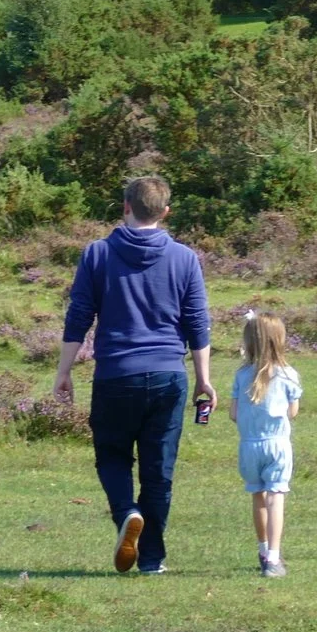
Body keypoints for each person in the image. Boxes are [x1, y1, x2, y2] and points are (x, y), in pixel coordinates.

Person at [53, 176, 213, 575]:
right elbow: (197, 322)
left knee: (112, 456)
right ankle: (152, 560)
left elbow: (79, 316)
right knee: (159, 471)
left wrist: (64, 371)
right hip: (167, 377)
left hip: (115, 377)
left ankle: (127, 512)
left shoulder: (97, 254)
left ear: (125, 206)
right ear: (165, 212)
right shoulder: (184, 258)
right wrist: (204, 378)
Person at [231, 311, 303, 577]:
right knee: (276, 497)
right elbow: (292, 412)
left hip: (249, 446)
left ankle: (262, 549)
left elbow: (234, 413)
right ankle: (274, 557)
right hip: (277, 445)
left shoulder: (242, 376)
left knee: (257, 496)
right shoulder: (288, 375)